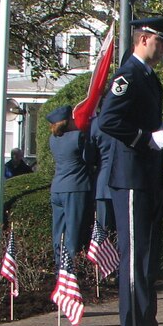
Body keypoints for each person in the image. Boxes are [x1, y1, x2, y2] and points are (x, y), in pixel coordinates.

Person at [95, 16, 163, 326]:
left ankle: (147, 325)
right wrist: (145, 139)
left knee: (148, 256)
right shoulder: (128, 75)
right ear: (144, 39)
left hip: (146, 177)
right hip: (130, 177)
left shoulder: (148, 77)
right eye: (161, 42)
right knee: (134, 257)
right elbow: (109, 120)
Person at [48, 105, 94, 268]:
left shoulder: (53, 139)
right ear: (68, 121)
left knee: (58, 232)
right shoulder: (77, 136)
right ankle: (70, 270)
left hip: (57, 188)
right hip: (75, 188)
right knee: (73, 233)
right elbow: (90, 157)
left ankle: (59, 269)